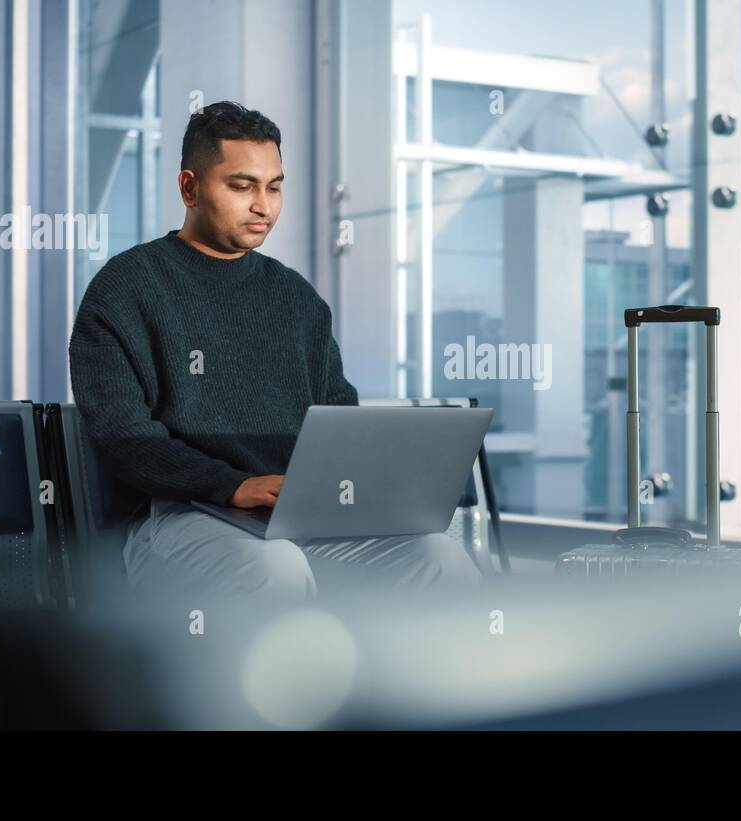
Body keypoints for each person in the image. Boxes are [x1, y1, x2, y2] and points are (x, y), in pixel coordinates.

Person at [68, 101, 482, 603]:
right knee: (274, 567)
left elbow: (338, 418)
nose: (263, 206)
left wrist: (357, 488)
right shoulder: (127, 287)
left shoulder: (296, 298)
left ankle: (404, 684)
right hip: (177, 516)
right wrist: (230, 485)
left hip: (297, 518)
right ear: (189, 188)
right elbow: (122, 437)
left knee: (440, 558)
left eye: (274, 186)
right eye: (242, 187)